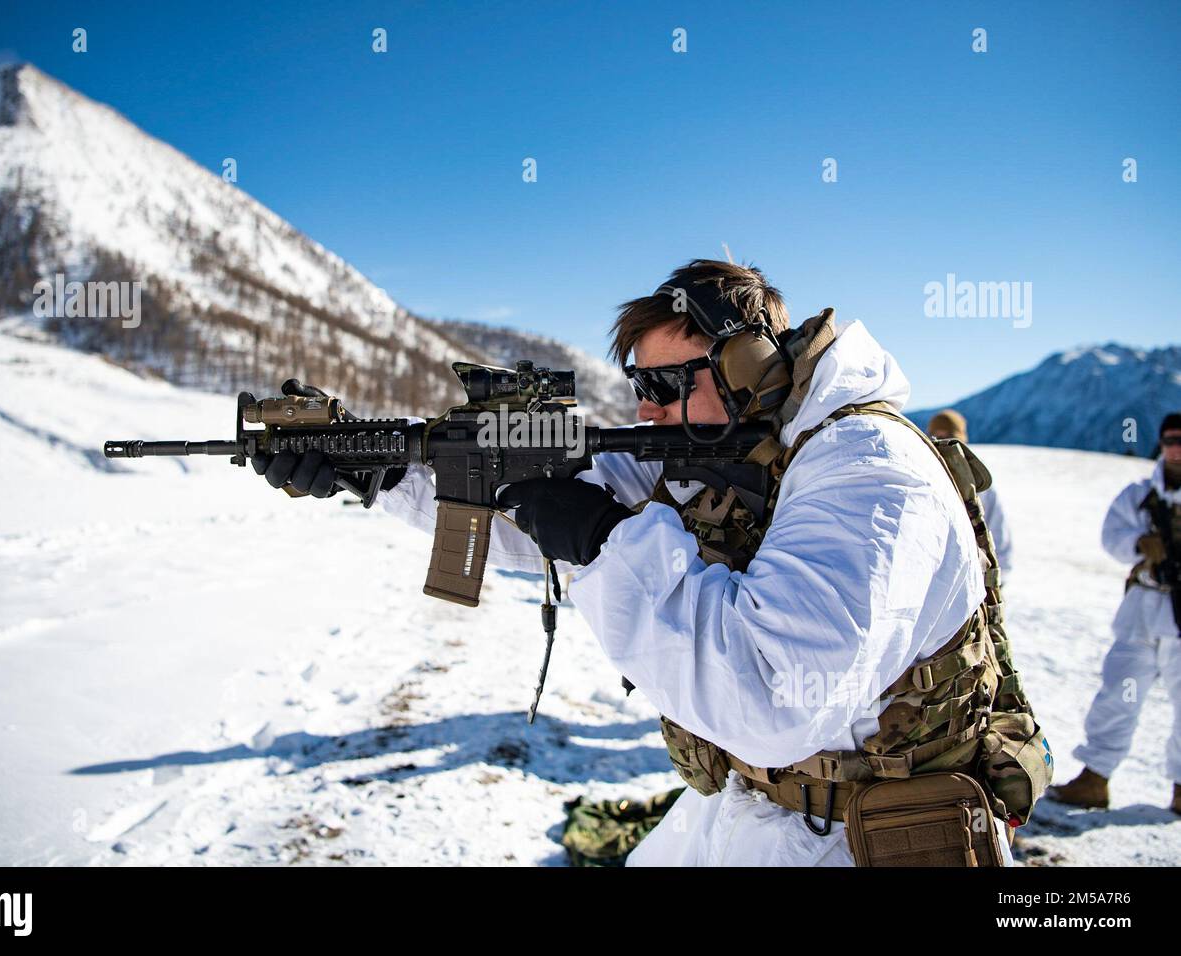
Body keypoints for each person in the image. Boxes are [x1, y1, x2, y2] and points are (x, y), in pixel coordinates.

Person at [252, 259, 1048, 865]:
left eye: (666, 383)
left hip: (874, 834)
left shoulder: (868, 473)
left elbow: (771, 695)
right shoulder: (713, 448)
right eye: (638, 384)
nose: (645, 409)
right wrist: (381, 472)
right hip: (757, 804)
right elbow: (541, 511)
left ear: (746, 369)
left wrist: (604, 541)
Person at [1047, 413, 1181, 814]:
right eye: (1171, 439)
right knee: (1119, 693)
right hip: (1143, 607)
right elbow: (1111, 536)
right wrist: (1140, 543)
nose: (1177, 447)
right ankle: (1095, 777)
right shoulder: (1139, 494)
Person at [928, 410, 1014, 578]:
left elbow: (998, 530)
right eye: (935, 436)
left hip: (976, 575)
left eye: (947, 436)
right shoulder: (925, 475)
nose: (940, 442)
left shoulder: (978, 482)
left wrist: (998, 577)